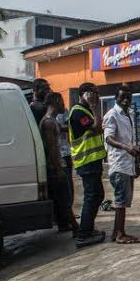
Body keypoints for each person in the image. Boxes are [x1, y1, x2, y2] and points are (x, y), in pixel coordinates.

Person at [69, 82, 107, 248]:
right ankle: (83, 235)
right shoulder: (78, 112)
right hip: (86, 161)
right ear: (83, 94)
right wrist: (94, 107)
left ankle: (87, 230)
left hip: (92, 161)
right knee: (92, 196)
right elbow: (98, 128)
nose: (96, 97)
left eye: (97, 93)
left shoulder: (84, 111)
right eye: (93, 93)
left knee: (97, 195)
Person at [103, 86, 140, 244]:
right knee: (120, 200)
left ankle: (117, 232)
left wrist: (136, 163)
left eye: (128, 97)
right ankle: (119, 234)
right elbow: (108, 138)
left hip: (128, 163)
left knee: (124, 200)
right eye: (122, 98)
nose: (125, 101)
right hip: (119, 163)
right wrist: (127, 148)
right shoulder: (112, 115)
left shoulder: (128, 114)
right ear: (116, 98)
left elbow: (130, 140)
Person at [40, 92, 76, 234]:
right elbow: (52, 148)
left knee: (64, 197)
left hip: (59, 164)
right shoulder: (48, 122)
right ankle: (76, 228)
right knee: (65, 198)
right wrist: (59, 168)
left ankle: (67, 225)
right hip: (57, 166)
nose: (64, 105)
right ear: (55, 101)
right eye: (61, 101)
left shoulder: (53, 121)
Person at [55, 104, 75, 211]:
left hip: (65, 152)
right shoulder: (45, 114)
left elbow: (70, 127)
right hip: (55, 154)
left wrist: (60, 127)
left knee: (68, 185)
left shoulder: (63, 110)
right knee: (61, 186)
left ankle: (69, 211)